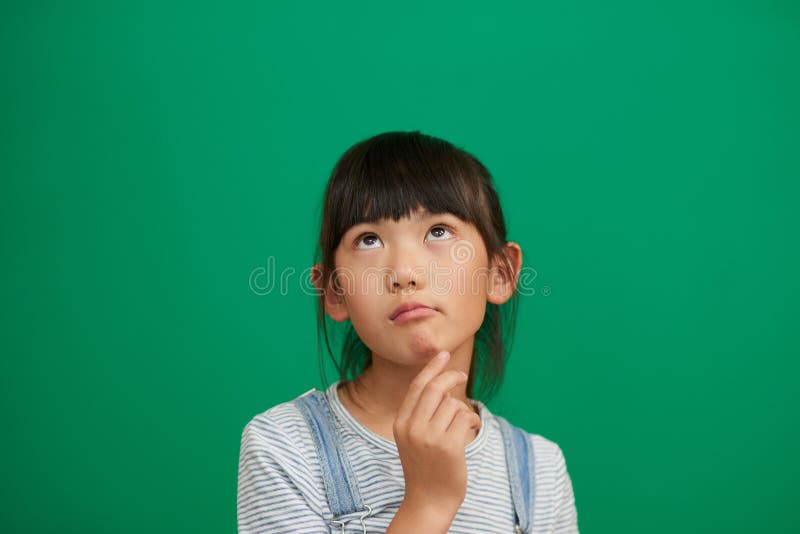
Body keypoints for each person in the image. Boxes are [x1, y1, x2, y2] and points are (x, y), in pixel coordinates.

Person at [237, 131, 579, 533]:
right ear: (334, 292)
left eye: (438, 231)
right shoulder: (285, 448)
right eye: (368, 239)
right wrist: (427, 504)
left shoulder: (539, 471)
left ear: (499, 273)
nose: (404, 272)